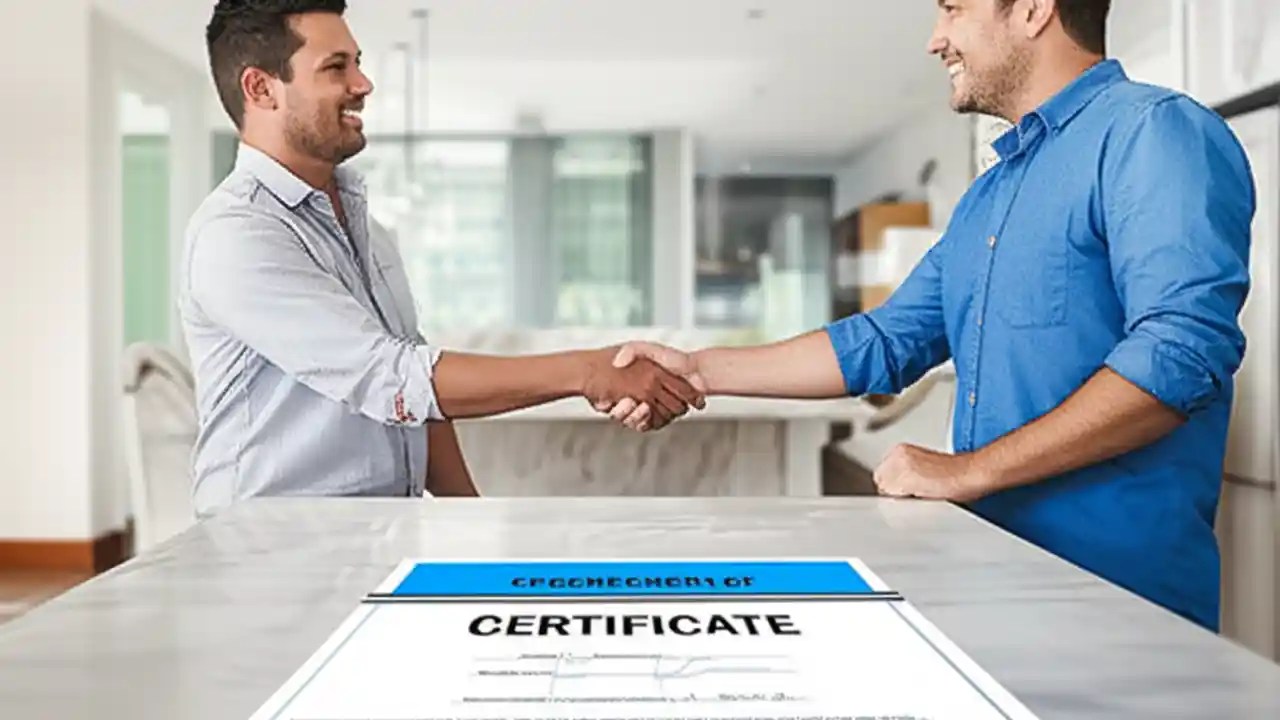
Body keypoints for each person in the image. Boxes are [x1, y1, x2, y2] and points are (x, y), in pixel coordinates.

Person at [606, 0, 1254, 632]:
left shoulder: (1153, 131)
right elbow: (887, 340)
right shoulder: (989, 195)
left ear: (1033, 10)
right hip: (989, 583)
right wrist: (696, 370)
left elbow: (1180, 355)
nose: (935, 39)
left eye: (952, 9)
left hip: (1118, 610)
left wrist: (969, 469)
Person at [182, 0, 703, 517]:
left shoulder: (368, 230)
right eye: (336, 67)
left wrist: (467, 518)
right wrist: (586, 370)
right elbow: (391, 379)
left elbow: (416, 390)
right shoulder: (238, 233)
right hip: (268, 551)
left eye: (357, 62)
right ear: (260, 88)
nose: (363, 85)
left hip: (374, 535)